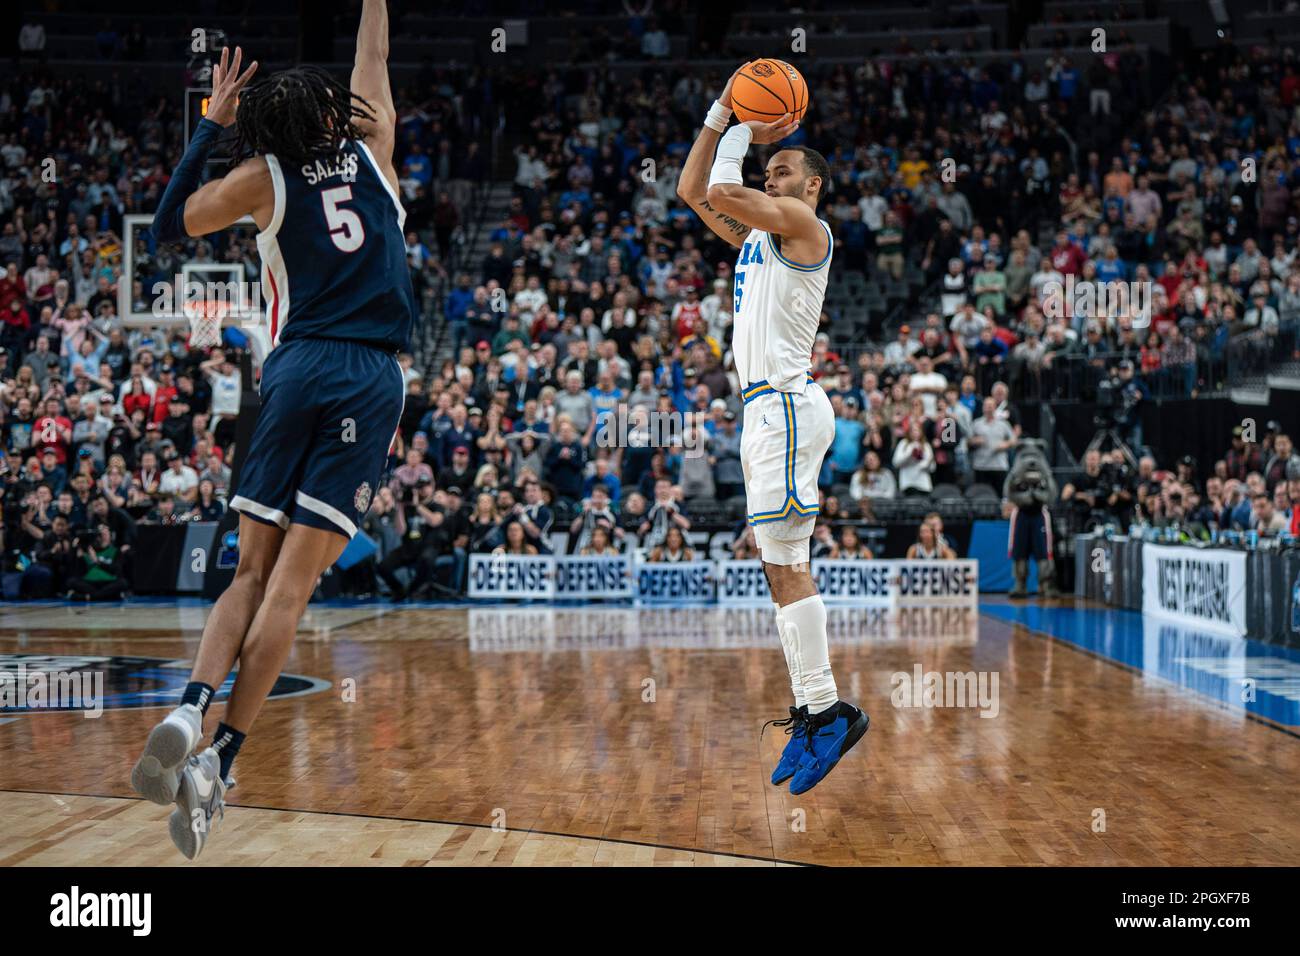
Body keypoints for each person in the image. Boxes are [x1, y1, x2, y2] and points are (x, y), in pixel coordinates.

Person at [129, 1, 415, 860]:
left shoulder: (261, 178)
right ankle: (223, 757)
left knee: (248, 573)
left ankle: (191, 706)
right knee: (291, 590)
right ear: (334, 116)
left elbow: (170, 224)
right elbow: (373, 54)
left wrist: (210, 125)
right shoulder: (375, 148)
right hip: (370, 376)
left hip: (294, 370)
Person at [677, 64, 867, 797]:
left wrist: (744, 122)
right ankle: (815, 709)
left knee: (786, 561)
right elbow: (694, 190)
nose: (771, 176)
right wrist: (717, 113)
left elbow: (725, 191)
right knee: (777, 564)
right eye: (769, 171)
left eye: (782, 170)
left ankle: (829, 710)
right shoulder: (757, 238)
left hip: (785, 406)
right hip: (766, 410)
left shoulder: (805, 227)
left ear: (812, 185)